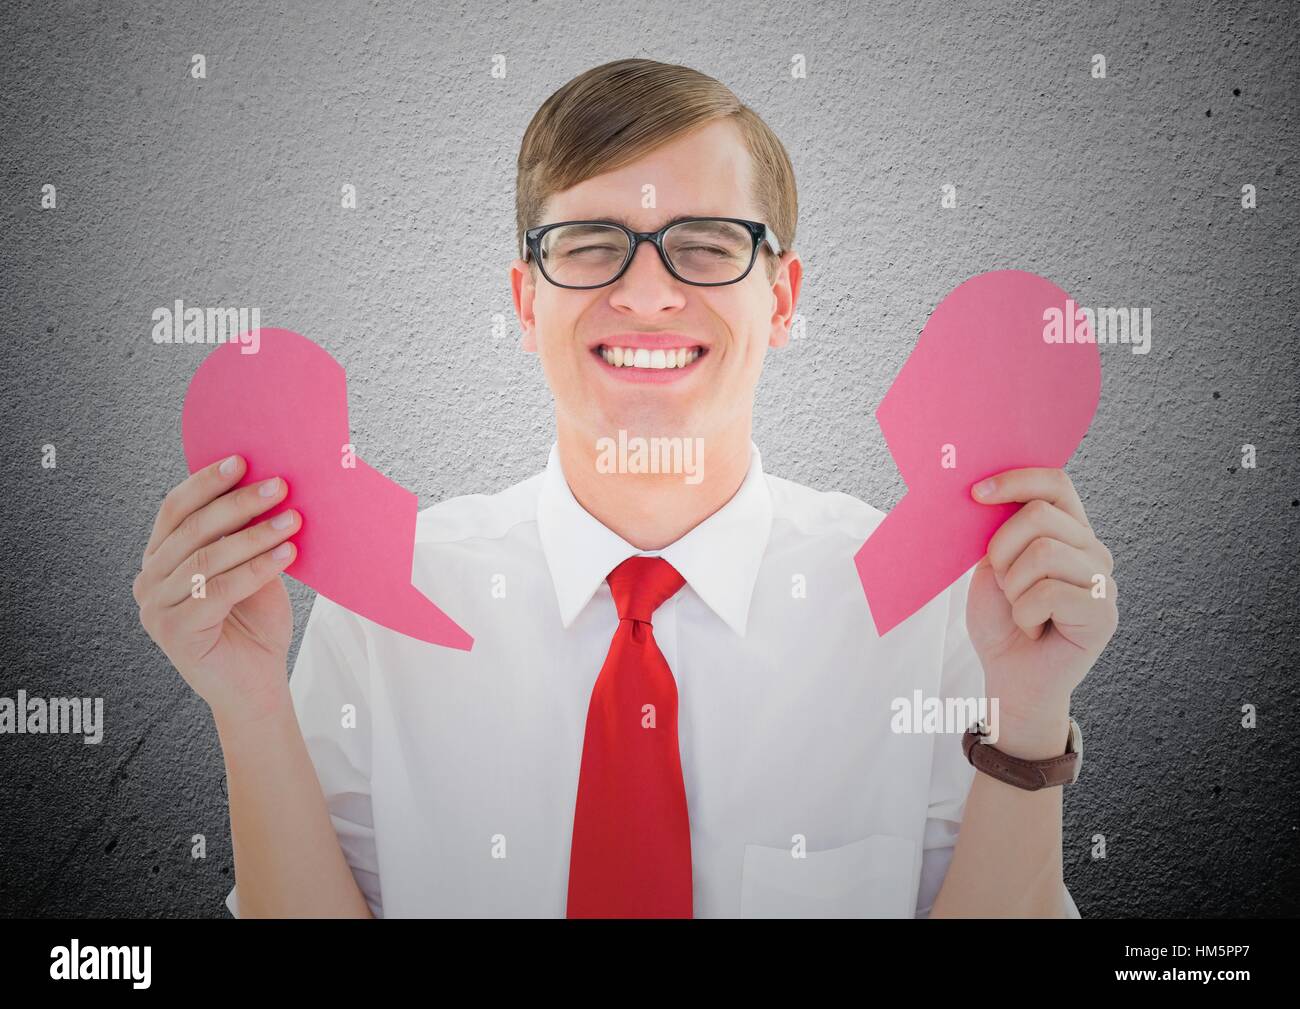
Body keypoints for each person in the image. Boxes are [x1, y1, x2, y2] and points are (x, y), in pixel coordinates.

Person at [133, 58, 1117, 918]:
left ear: (779, 298)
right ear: (526, 301)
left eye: (706, 242)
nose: (646, 292)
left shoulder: (934, 615)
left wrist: (1028, 715)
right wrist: (248, 703)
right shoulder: (391, 606)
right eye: (590, 243)